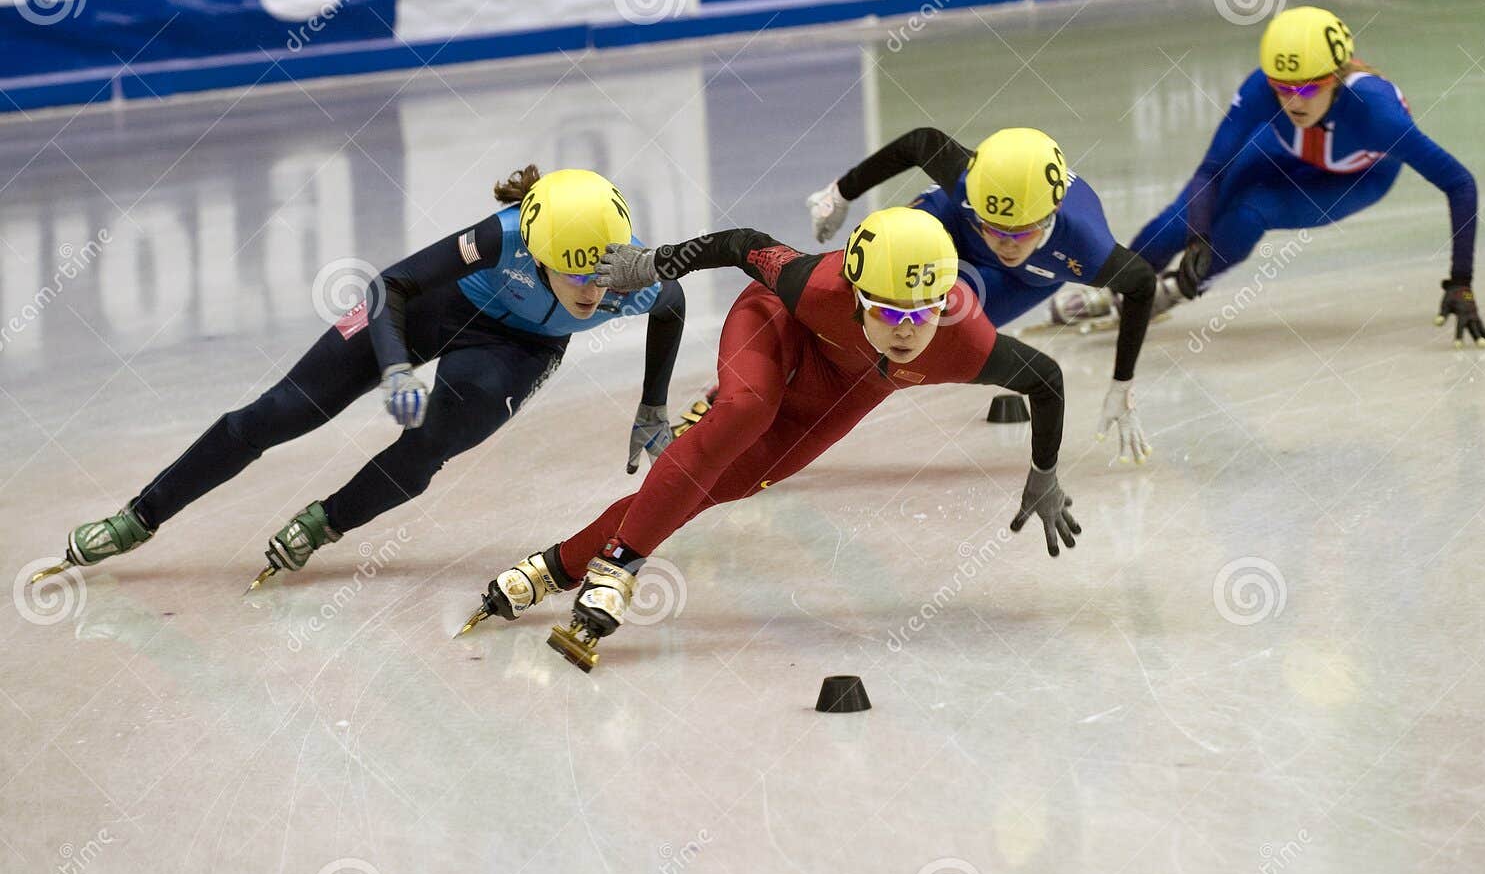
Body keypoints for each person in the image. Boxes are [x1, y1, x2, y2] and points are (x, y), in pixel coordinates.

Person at [456, 206, 1083, 671]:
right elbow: (741, 244)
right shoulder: (813, 284)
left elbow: (1047, 380)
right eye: (887, 310)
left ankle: (554, 567)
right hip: (776, 327)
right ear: (856, 294)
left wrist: (1045, 472)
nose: (905, 328)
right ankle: (620, 568)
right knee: (745, 412)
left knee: (720, 485)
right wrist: (651, 264)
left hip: (843, 389)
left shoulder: (966, 340)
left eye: (921, 312)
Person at [29, 167, 685, 590]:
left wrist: (653, 404)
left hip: (519, 349)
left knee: (429, 446)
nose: (594, 292)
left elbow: (674, 303)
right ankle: (140, 515)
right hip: (441, 302)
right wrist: (395, 363)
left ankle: (325, 522)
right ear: (537, 256)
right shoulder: (502, 237)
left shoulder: (626, 276)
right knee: (281, 411)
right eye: (576, 276)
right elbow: (391, 285)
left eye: (605, 275)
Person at [676, 127, 1158, 463]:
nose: (1005, 243)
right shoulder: (966, 184)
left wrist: (1122, 385)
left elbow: (1142, 286)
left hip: (1029, 279)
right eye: (994, 228)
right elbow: (920, 142)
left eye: (1022, 232)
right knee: (871, 288)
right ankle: (745, 379)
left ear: (1050, 219)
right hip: (947, 229)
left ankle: (793, 398)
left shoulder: (1088, 248)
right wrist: (840, 192)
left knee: (929, 337)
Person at [1051, 5, 1485, 347]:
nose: (1292, 100)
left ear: (1336, 78)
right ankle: (1123, 282)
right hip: (1289, 149)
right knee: (1188, 214)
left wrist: (1462, 281)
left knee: (1249, 212)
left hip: (1351, 177)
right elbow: (1211, 170)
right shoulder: (1263, 89)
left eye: (1305, 88)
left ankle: (1171, 293)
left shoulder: (1378, 117)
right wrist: (1197, 238)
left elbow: (1459, 183)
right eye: (1282, 86)